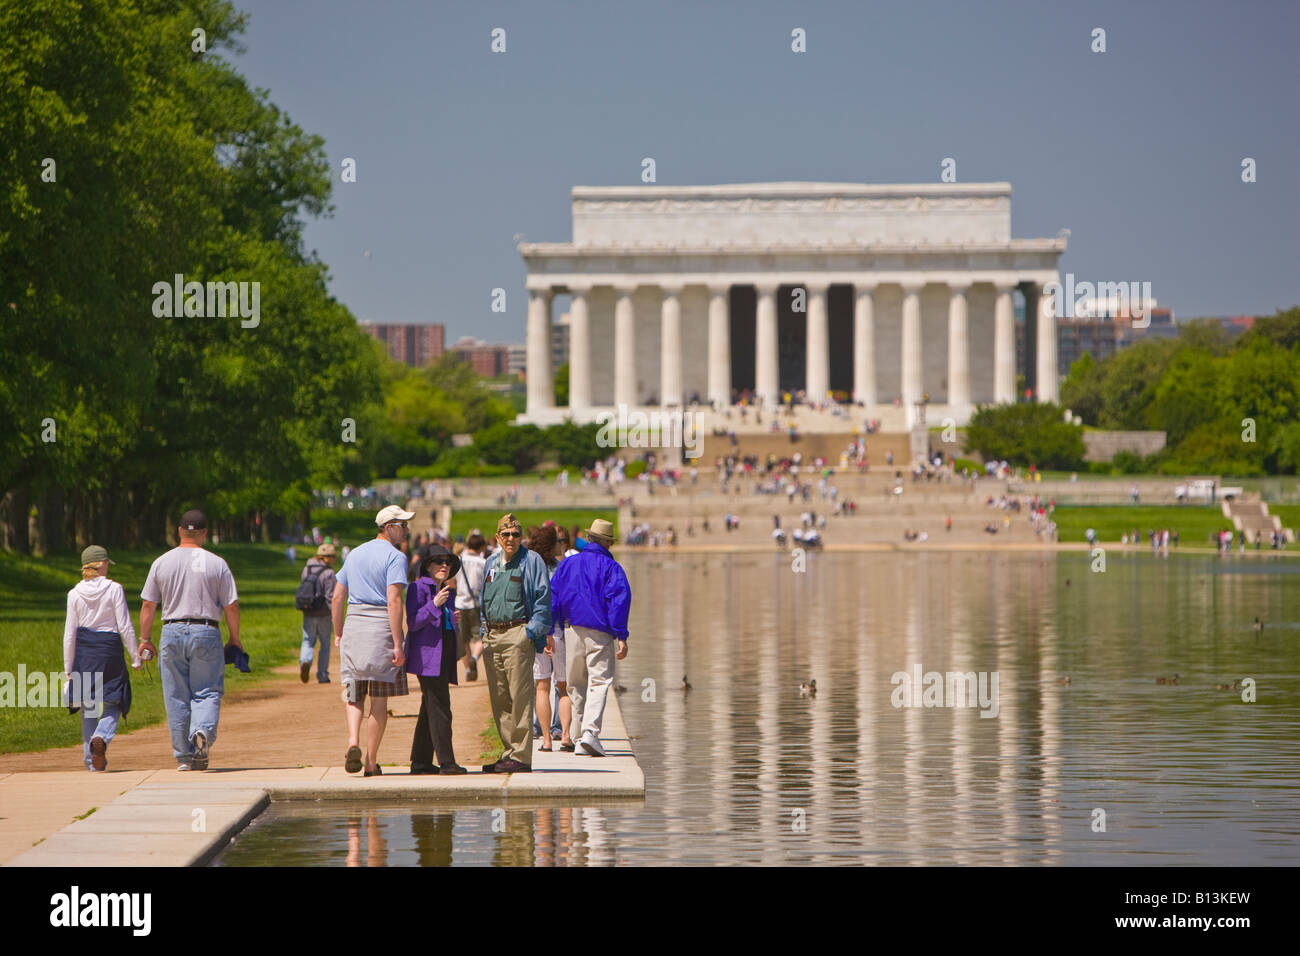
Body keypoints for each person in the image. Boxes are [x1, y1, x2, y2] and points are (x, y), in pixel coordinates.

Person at [139, 509, 241, 771]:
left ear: (179, 531)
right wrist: (235, 639)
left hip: (171, 631)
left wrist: (145, 639)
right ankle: (202, 732)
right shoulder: (217, 563)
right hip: (206, 629)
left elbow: (149, 604)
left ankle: (184, 757)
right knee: (207, 690)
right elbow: (231, 606)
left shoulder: (162, 562)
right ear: (205, 533)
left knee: (175, 696)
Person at [332, 505, 414, 776]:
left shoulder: (355, 553)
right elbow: (393, 600)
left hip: (354, 625)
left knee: (354, 694)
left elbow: (337, 597)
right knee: (379, 701)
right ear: (389, 527)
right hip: (380, 628)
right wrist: (398, 642)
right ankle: (370, 761)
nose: (406, 530)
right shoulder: (395, 557)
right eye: (402, 525)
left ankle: (352, 741)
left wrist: (339, 632)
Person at [477, 513, 552, 773]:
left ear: (522, 538)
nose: (511, 539)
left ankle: (521, 756)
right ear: (497, 537)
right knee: (500, 699)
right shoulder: (490, 562)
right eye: (505, 534)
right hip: (492, 636)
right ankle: (508, 751)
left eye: (516, 534)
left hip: (518, 634)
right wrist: (482, 631)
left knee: (520, 697)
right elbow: (483, 599)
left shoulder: (532, 561)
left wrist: (530, 633)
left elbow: (543, 599)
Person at [550, 519, 631, 757]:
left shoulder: (569, 564)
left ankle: (577, 736)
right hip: (599, 631)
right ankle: (590, 733)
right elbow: (618, 601)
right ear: (607, 542)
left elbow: (554, 595)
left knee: (575, 683)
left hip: (571, 628)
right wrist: (621, 635)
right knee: (599, 682)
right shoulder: (611, 567)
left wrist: (551, 629)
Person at [63, 545, 141, 771]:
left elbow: (70, 634)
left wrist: (68, 667)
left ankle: (91, 760)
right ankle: (102, 737)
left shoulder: (74, 594)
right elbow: (124, 625)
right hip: (109, 651)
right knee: (114, 700)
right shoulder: (114, 589)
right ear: (101, 564)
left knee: (88, 705)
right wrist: (135, 657)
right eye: (107, 562)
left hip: (85, 653)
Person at [406, 545, 466, 774]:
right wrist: (435, 605)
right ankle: (447, 762)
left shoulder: (447, 591)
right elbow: (413, 622)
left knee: (429, 708)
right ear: (428, 565)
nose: (444, 565)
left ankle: (420, 761)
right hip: (428, 658)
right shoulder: (417, 588)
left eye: (447, 562)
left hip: (444, 653)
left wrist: (451, 616)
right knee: (441, 708)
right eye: (438, 561)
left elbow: (441, 622)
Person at [528, 525, 569, 751]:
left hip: (537, 631)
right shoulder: (560, 568)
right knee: (562, 687)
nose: (560, 545)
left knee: (541, 686)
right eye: (557, 542)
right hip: (558, 631)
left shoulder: (530, 567)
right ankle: (565, 734)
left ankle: (545, 739)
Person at [298, 543, 338, 683]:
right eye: (334, 557)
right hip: (324, 613)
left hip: (308, 611)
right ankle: (322, 675)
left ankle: (305, 661)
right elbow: (330, 597)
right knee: (325, 644)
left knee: (308, 641)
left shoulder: (306, 569)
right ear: (328, 558)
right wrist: (335, 615)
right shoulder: (329, 573)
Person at [454, 533, 487, 681]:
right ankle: (474, 657)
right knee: (481, 636)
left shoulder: (458, 560)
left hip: (459, 603)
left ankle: (468, 670)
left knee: (463, 638)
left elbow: (452, 582)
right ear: (481, 546)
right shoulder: (483, 562)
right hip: (476, 603)